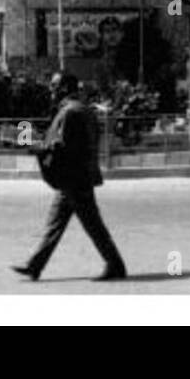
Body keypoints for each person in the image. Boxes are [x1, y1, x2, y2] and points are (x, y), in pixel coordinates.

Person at [12, 71, 127, 282]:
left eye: (55, 86)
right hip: (77, 177)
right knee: (56, 224)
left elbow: (62, 148)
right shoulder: (83, 110)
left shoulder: (70, 112)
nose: (51, 90)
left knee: (93, 225)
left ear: (64, 88)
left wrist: (38, 149)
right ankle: (34, 265)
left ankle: (116, 265)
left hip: (74, 179)